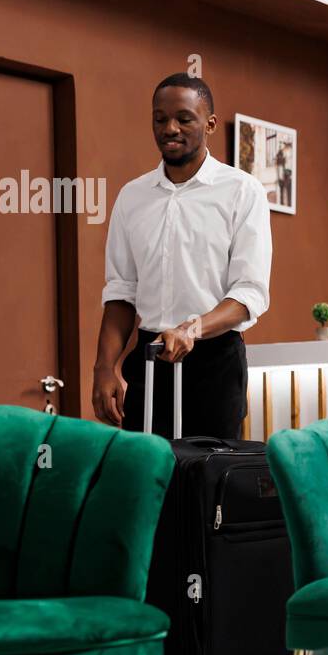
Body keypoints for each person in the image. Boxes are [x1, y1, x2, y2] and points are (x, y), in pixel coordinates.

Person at [92, 73, 272, 439]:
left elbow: (248, 294)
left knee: (208, 483)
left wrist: (192, 328)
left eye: (184, 118)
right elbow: (121, 292)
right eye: (160, 119)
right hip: (149, 358)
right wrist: (104, 368)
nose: (170, 128)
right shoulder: (132, 196)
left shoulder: (242, 191)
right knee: (147, 480)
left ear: (209, 123)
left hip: (215, 361)